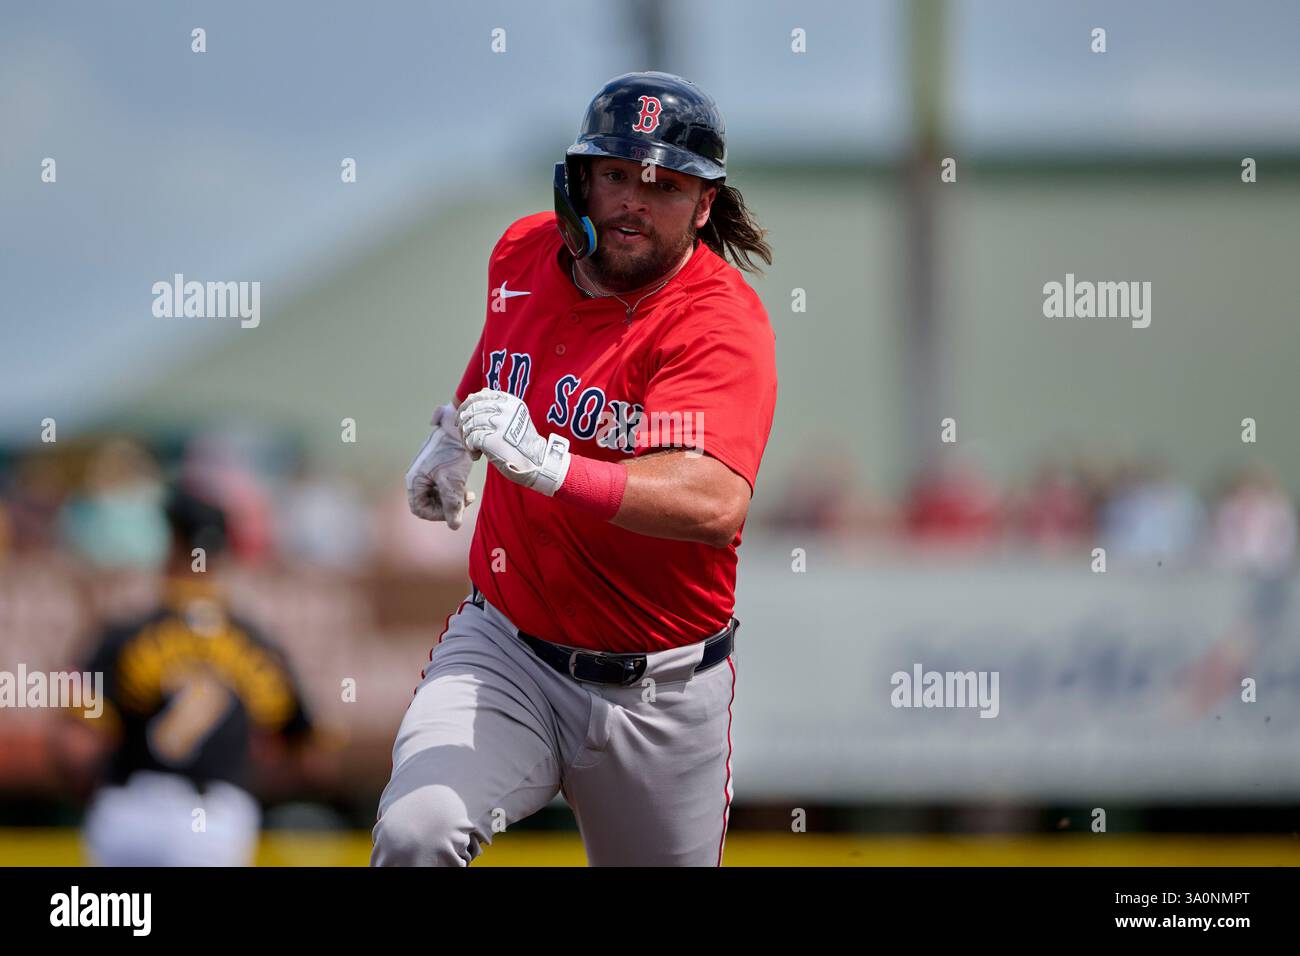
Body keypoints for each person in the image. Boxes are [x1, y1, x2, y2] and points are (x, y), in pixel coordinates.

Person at [373, 71, 777, 866]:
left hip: (659, 690)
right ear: (580, 180)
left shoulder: (717, 320)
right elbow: (502, 353)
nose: (634, 198)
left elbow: (713, 500)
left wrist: (559, 468)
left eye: (664, 184)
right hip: (507, 649)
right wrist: (459, 429)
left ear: (704, 205)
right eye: (618, 174)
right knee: (418, 831)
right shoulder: (522, 250)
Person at [52, 487, 316, 866]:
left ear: (171, 542)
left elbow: (73, 748)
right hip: (214, 819)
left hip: (129, 810)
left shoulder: (125, 633)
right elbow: (308, 756)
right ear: (224, 553)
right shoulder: (256, 642)